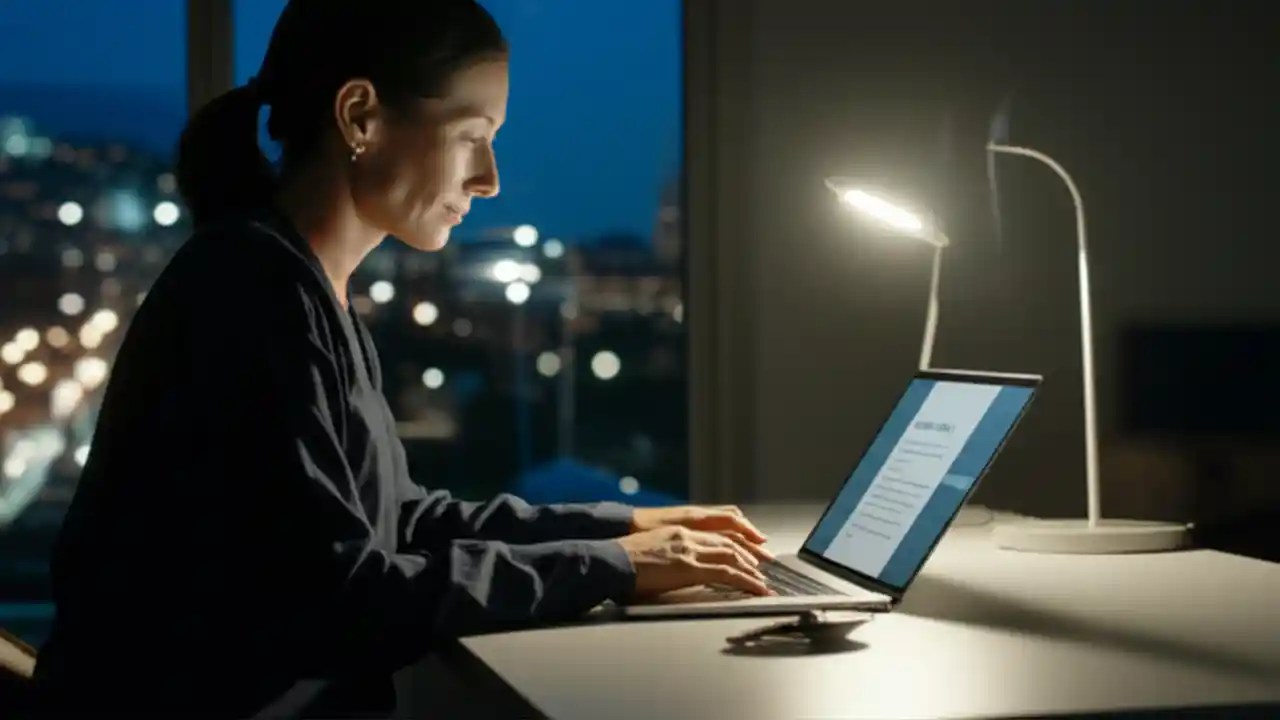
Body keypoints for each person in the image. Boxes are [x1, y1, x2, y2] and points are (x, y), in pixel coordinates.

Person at [29, 1, 776, 717]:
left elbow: (400, 521)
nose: (488, 179)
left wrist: (626, 532)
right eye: (471, 135)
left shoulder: (300, 285)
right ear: (360, 117)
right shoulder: (254, 295)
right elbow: (340, 597)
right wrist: (611, 568)